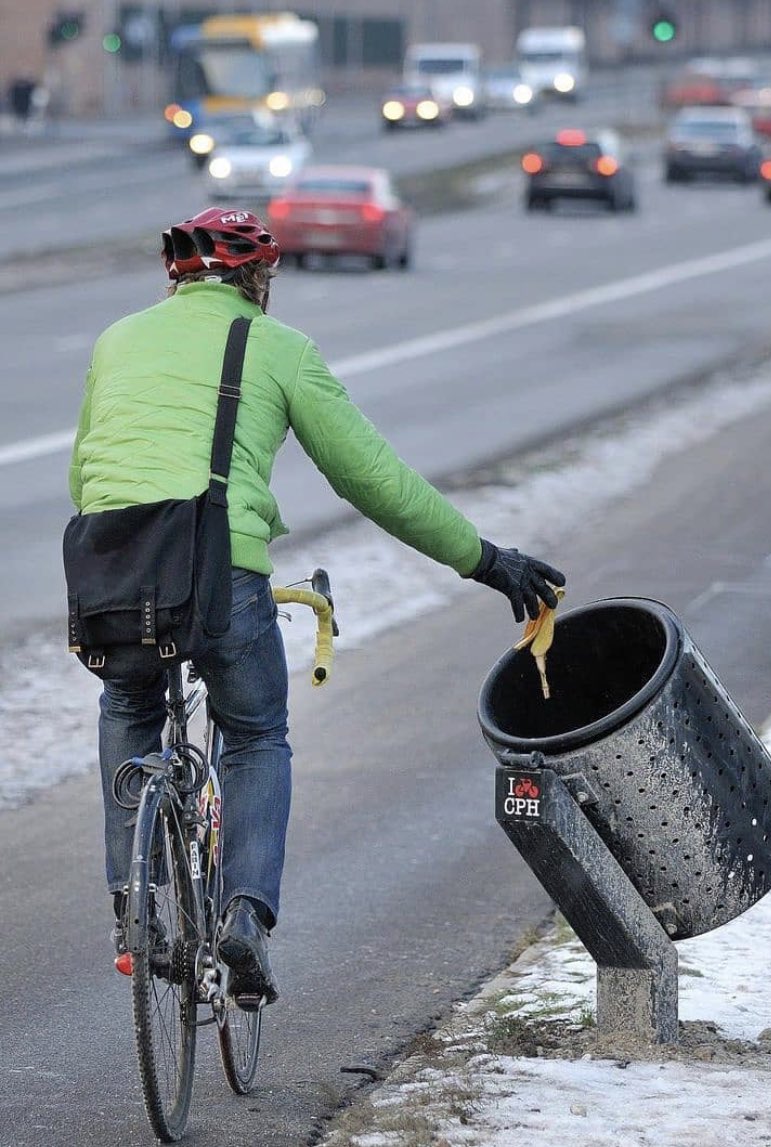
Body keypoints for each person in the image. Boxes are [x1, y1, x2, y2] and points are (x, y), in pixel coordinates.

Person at [69, 207, 565, 1004]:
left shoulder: (114, 341)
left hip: (111, 566)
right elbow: (374, 478)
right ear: (256, 279)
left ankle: (133, 903)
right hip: (218, 568)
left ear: (177, 278)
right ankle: (244, 913)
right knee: (257, 731)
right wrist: (485, 560)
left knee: (127, 702)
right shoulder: (278, 348)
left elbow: (83, 473)